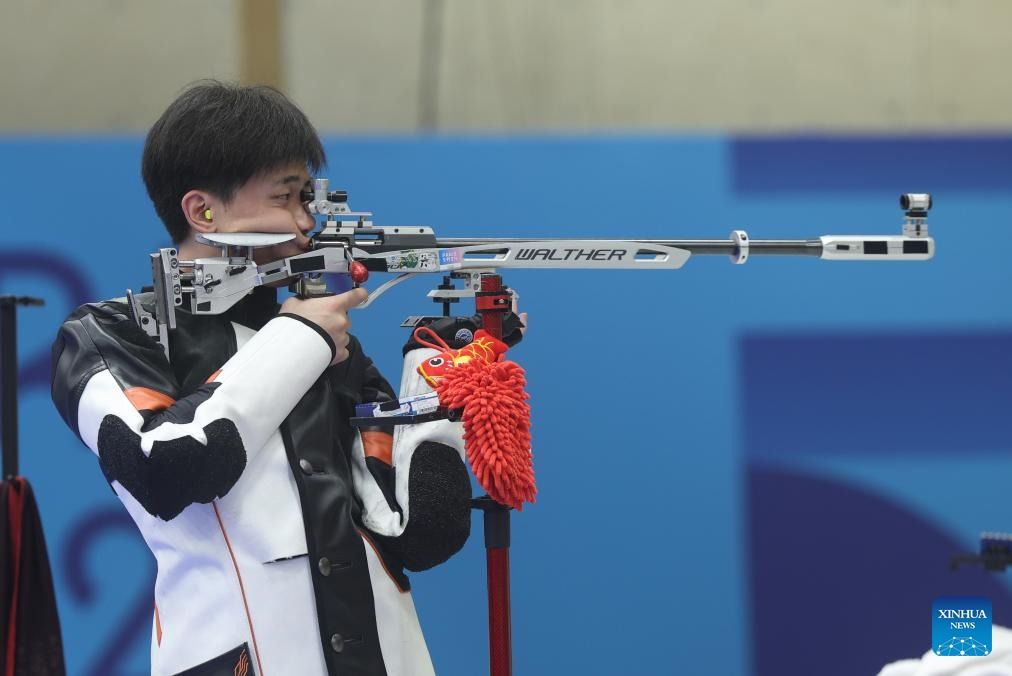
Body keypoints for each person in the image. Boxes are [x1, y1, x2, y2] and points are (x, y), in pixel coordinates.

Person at [50, 81, 520, 676]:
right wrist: (302, 338)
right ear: (202, 211)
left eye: (308, 198)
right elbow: (162, 468)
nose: (305, 224)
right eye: (286, 197)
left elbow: (422, 535)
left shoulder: (325, 343)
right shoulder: (111, 333)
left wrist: (438, 371)